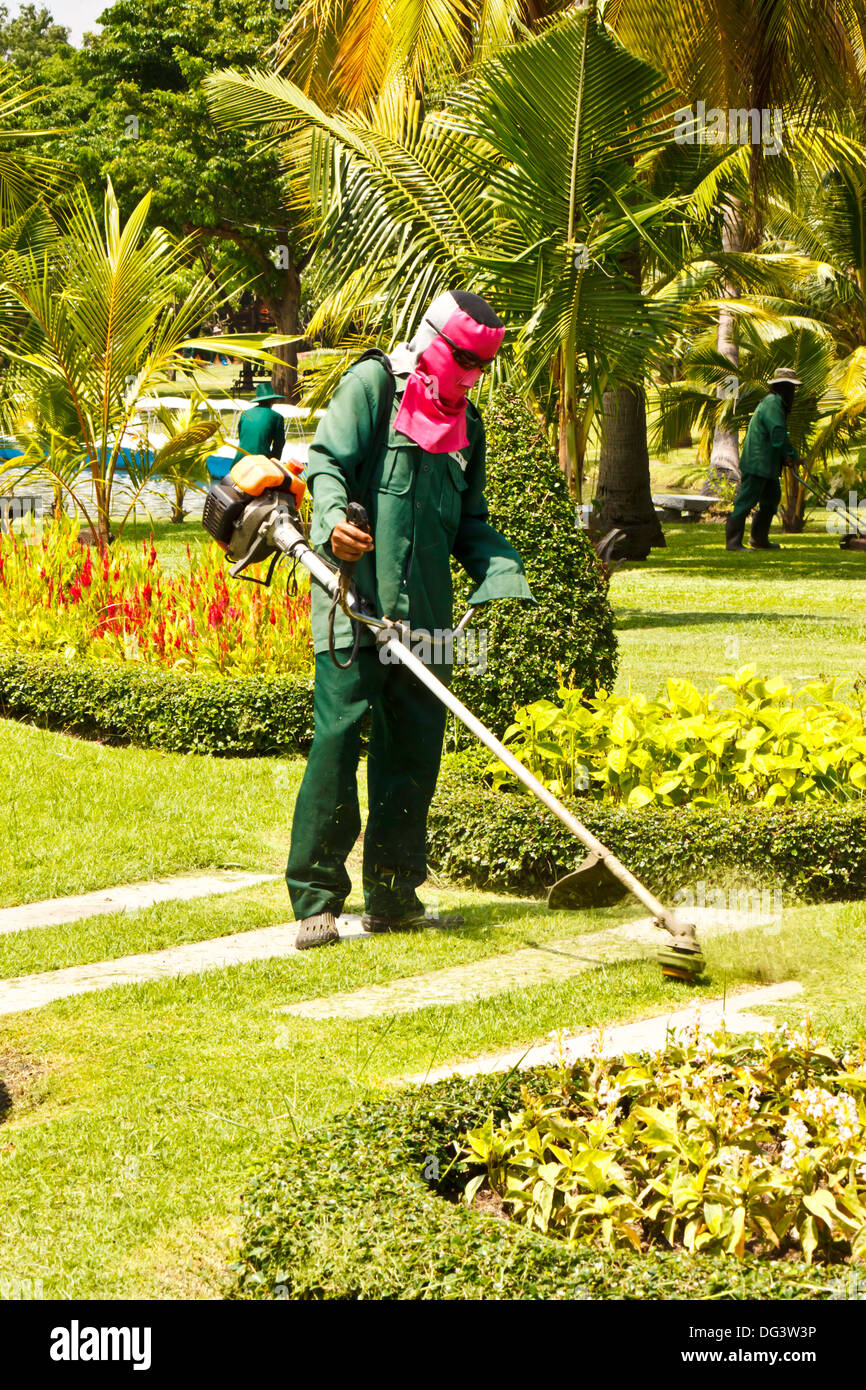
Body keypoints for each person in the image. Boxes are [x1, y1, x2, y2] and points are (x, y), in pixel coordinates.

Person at [286, 290, 533, 949]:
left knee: (412, 759)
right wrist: (336, 521)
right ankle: (316, 900)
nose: (470, 375)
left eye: (481, 365)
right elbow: (326, 463)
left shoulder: (467, 427)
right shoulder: (374, 385)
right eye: (462, 359)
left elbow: (469, 525)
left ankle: (394, 897)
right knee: (338, 747)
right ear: (430, 339)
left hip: (424, 627)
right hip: (352, 607)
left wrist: (501, 569)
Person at [725, 368, 802, 551]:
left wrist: (790, 456)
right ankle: (733, 542)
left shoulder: (776, 403)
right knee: (746, 501)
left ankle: (759, 539)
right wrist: (790, 455)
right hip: (758, 462)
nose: (793, 392)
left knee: (771, 500)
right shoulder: (773, 403)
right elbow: (777, 432)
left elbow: (777, 434)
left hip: (768, 464)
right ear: (784, 387)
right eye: (791, 388)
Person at [235, 382, 286, 463]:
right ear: (272, 400)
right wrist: (274, 463)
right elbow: (279, 444)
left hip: (239, 461)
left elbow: (242, 436)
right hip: (260, 462)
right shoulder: (277, 417)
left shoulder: (245, 414)